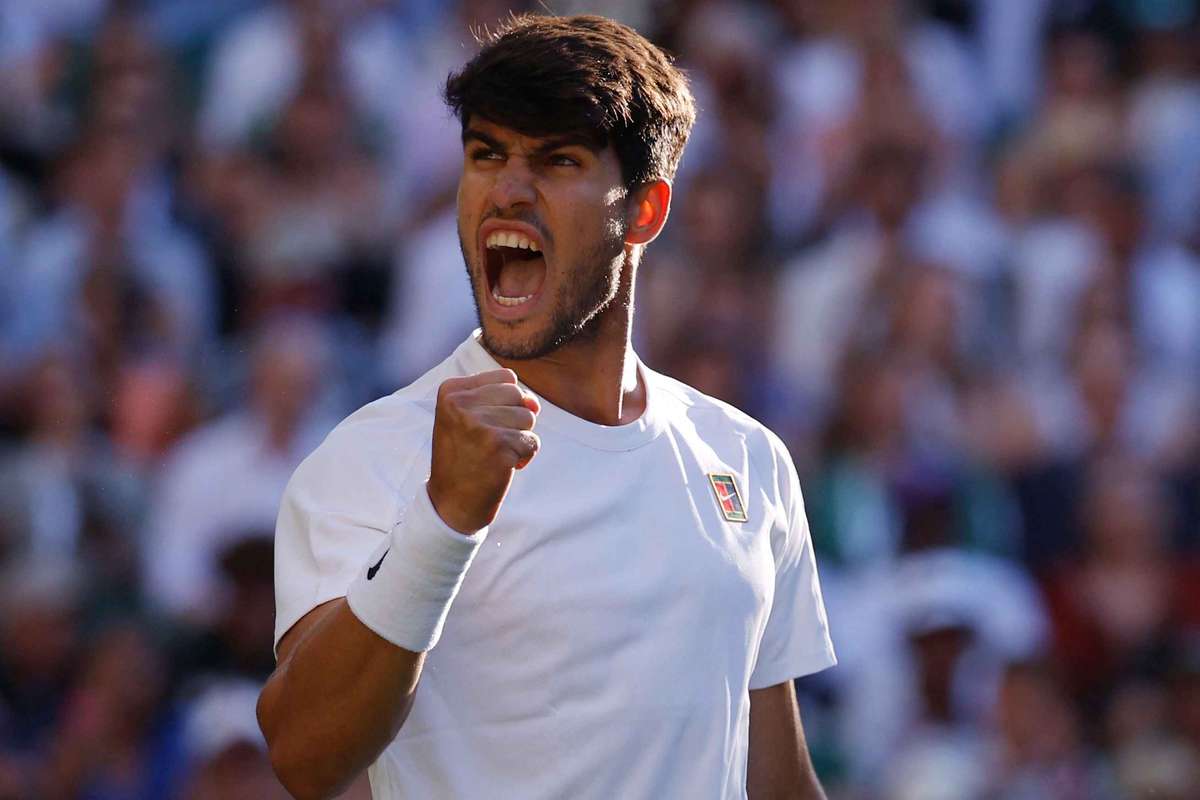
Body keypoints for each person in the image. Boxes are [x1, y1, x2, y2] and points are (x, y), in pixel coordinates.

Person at [256, 14, 836, 799]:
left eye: (557, 160)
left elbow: (778, 783)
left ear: (645, 212)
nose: (508, 189)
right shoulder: (372, 459)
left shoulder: (747, 460)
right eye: (485, 153)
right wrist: (444, 519)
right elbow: (304, 757)